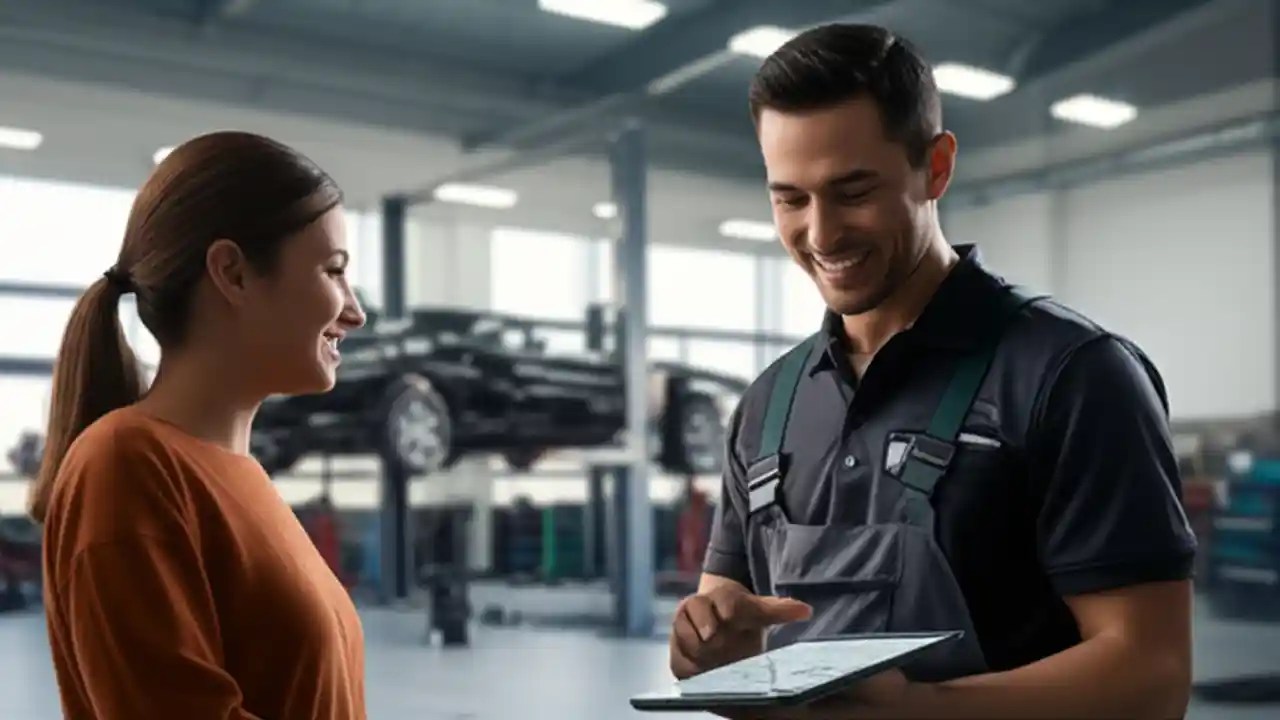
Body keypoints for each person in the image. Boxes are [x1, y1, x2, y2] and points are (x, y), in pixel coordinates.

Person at [669, 23, 1196, 719]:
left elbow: (1150, 675)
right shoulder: (769, 404)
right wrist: (710, 648)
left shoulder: (1071, 376)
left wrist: (924, 710)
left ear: (936, 167)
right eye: (790, 198)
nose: (820, 235)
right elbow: (737, 632)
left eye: (853, 191)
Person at [31, 131, 368, 719]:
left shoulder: (238, 475)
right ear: (233, 273)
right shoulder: (127, 464)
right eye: (332, 271)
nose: (354, 311)